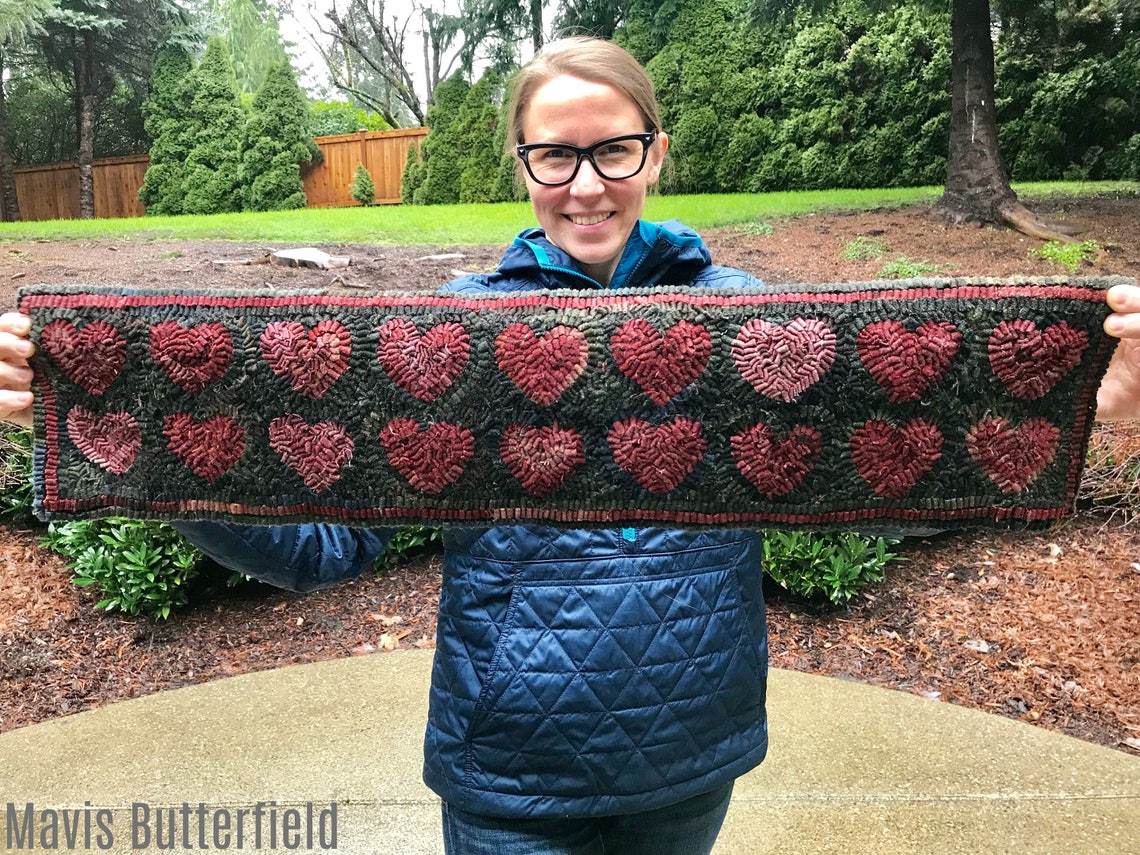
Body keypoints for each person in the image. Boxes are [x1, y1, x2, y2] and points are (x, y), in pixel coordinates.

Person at [1, 35, 1140, 855]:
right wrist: (110, 424)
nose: (587, 184)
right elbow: (322, 544)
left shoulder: (755, 324)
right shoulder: (443, 339)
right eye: (556, 155)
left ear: (654, 154)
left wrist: (1097, 400)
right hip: (508, 772)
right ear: (521, 164)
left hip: (690, 759)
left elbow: (875, 493)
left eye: (614, 151)